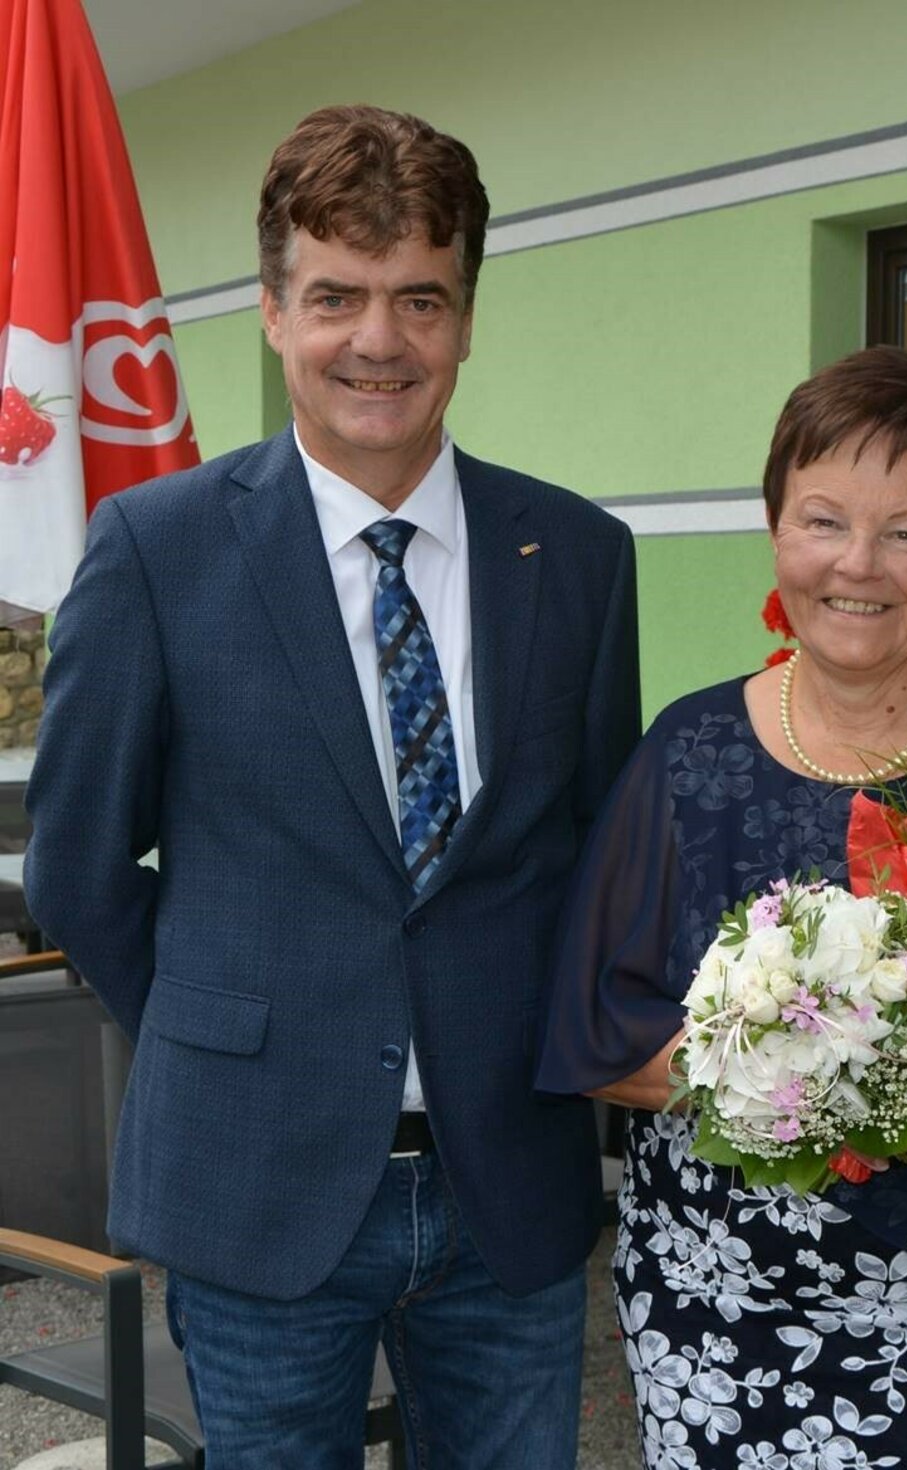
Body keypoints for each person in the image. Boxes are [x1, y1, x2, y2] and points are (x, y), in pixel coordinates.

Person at [25, 105, 641, 1467]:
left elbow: (602, 861)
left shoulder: (582, 556)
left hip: (510, 1182)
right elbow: (78, 870)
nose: (380, 339)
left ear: (468, 318)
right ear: (271, 311)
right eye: (338, 297)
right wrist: (228, 1032)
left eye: (420, 297)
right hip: (256, 1179)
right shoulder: (156, 547)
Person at [538, 345, 907, 1470]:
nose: (858, 565)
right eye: (822, 521)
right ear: (774, 532)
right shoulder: (688, 751)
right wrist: (806, 1078)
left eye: (905, 532)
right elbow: (592, 1034)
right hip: (728, 1321)